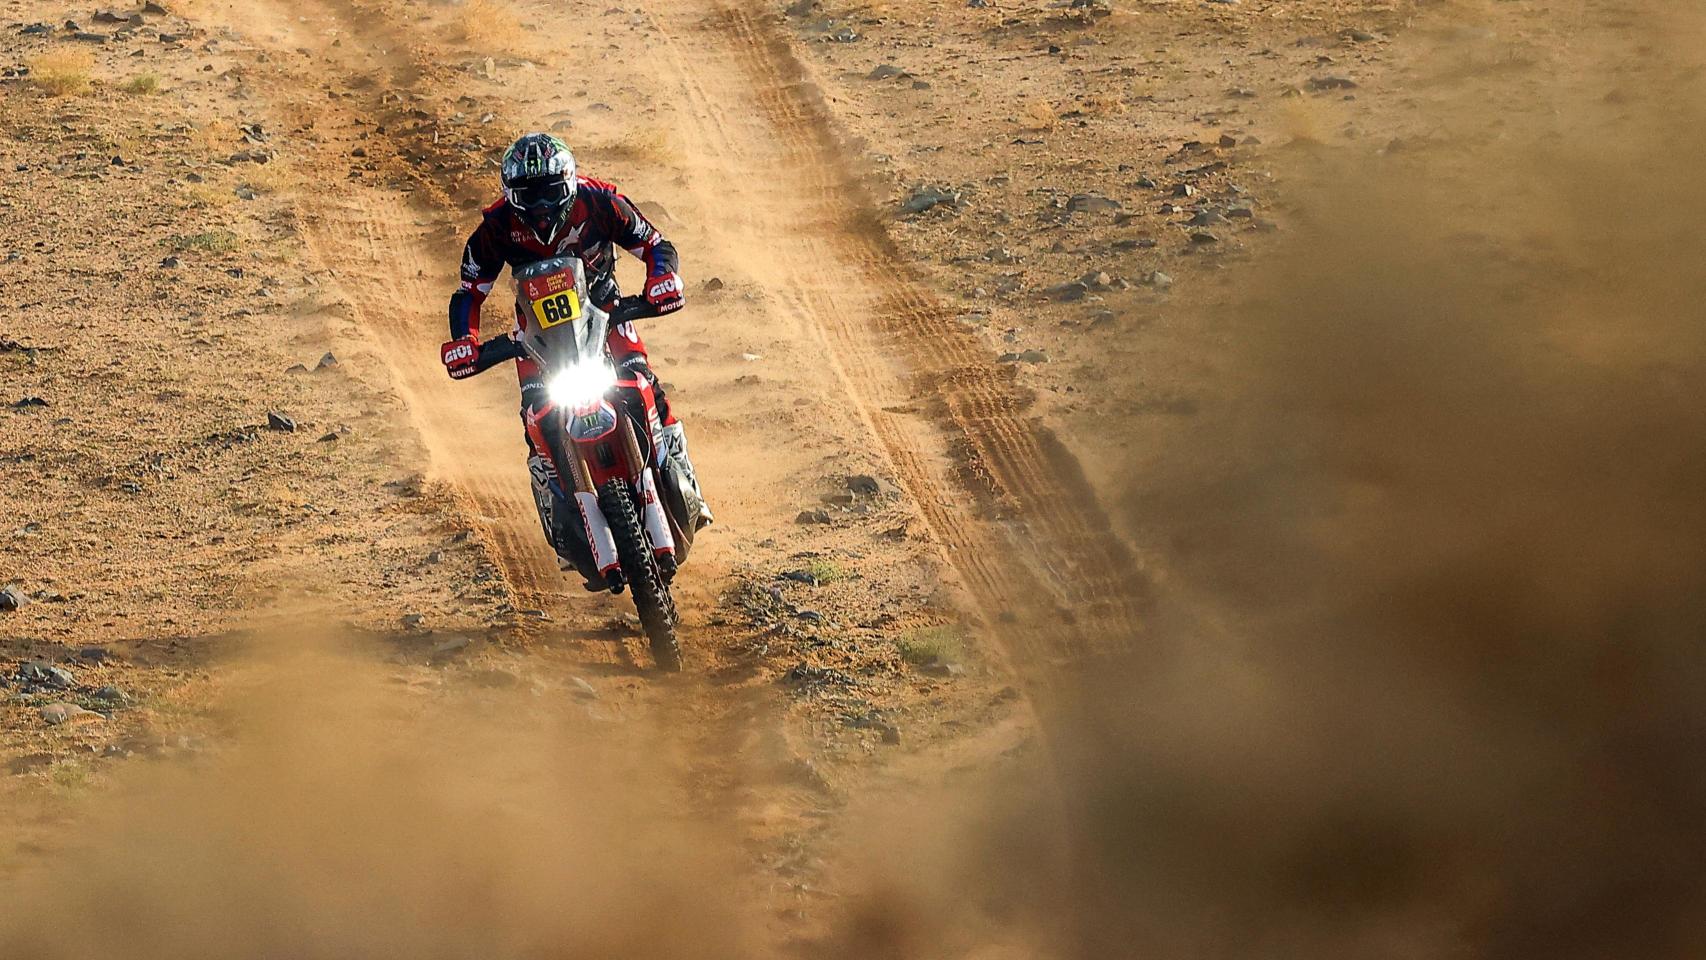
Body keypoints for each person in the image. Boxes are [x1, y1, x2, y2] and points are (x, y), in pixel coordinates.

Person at [439, 133, 712, 575]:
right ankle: (556, 509)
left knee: (644, 383)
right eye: (529, 194)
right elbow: (469, 291)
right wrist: (464, 339)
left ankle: (684, 479)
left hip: (605, 313)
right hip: (537, 336)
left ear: (567, 182)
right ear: (511, 193)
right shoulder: (496, 227)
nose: (541, 204)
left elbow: (655, 245)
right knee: (535, 415)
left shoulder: (600, 202)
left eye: (549, 191)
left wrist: (661, 279)